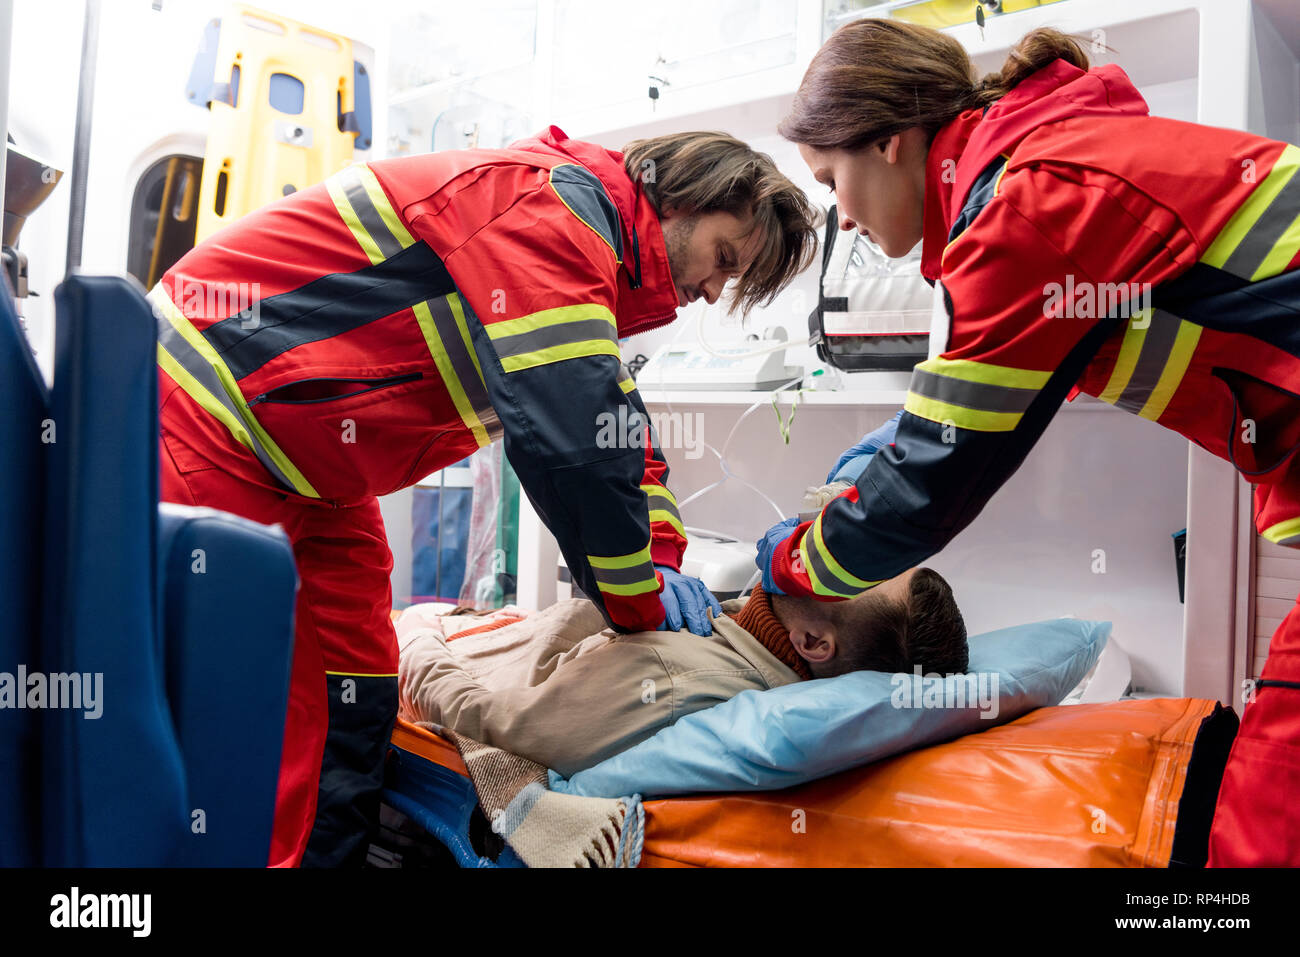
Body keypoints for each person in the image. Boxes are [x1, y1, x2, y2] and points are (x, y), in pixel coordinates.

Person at [154, 126, 818, 866]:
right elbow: (580, 448)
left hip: (313, 469)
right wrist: (638, 600)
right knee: (229, 693)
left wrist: (662, 556)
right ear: (682, 198)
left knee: (359, 687)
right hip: (206, 408)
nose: (712, 290)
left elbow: (621, 430)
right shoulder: (550, 211)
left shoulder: (581, 256)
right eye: (723, 259)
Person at [756, 19, 1300, 866]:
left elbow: (934, 475)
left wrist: (787, 564)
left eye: (834, 180)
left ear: (891, 142)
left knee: (1271, 807)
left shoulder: (1028, 204)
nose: (845, 219)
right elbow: (955, 417)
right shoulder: (1039, 169)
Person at [397, 567, 967, 776]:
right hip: (483, 630)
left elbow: (488, 723)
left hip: (431, 647)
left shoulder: (671, 680)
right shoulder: (736, 633)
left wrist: (416, 634)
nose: (828, 550)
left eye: (852, 573)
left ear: (814, 642)